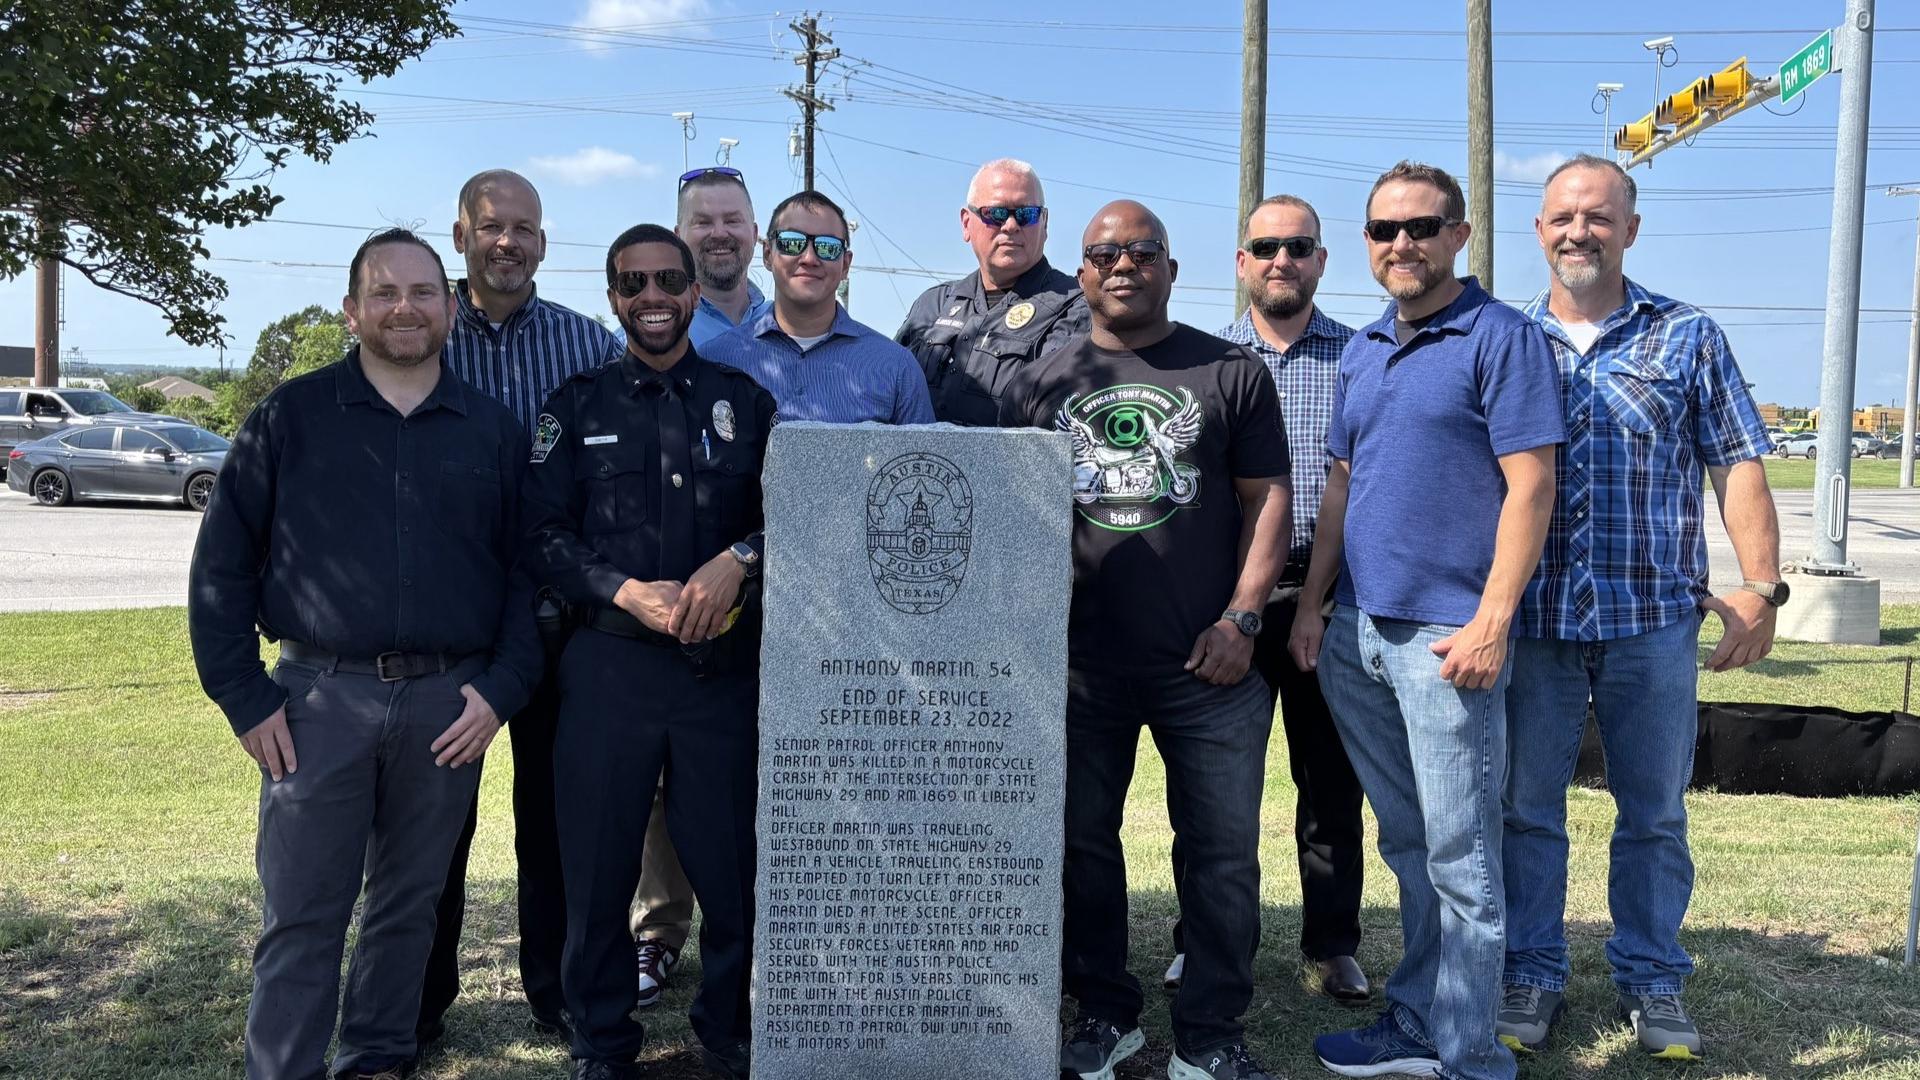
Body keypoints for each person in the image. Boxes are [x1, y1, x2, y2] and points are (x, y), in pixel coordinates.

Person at [188, 228, 540, 1080]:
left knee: (410, 906)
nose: (403, 308)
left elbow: (530, 578)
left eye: (422, 292)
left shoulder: (492, 431)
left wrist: (499, 691)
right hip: (317, 702)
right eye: (384, 293)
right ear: (352, 310)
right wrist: (244, 697)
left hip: (447, 707)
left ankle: (377, 1058)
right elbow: (221, 568)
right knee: (302, 912)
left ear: (449, 307)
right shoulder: (291, 418)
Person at [1497, 154, 1782, 1061]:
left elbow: (1737, 464)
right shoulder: (1506, 338)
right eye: (1562, 217)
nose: (1578, 231)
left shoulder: (1687, 336)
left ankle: (1654, 980)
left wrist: (1761, 586)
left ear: (1630, 228)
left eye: (1597, 216)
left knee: (1654, 813)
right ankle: (1529, 973)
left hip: (1653, 623)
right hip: (1534, 623)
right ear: (1539, 230)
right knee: (1525, 809)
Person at [1000, 201, 1293, 1080]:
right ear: (1081, 272)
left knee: (1222, 856)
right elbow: (1015, 517)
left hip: (1209, 665)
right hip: (1079, 667)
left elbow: (1267, 501)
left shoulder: (1230, 371)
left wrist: (1243, 618)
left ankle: (1209, 1034)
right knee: (1081, 847)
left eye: (1140, 251)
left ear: (1171, 267)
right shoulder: (1041, 382)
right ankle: (1104, 1013)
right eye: (1103, 254)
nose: (1121, 265)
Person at [1289, 161, 1563, 1080]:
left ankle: (1471, 1054)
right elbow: (1340, 486)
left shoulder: (1502, 338)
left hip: (1448, 641)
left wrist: (1492, 621)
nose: (1401, 243)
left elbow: (1532, 486)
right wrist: (1315, 606)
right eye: (1383, 229)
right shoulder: (1364, 347)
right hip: (1358, 635)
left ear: (1460, 235)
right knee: (1409, 843)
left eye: (1421, 226)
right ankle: (1417, 1021)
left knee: (1462, 857)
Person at [523, 223, 776, 1080]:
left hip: (718, 675)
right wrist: (623, 590)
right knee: (597, 869)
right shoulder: (574, 406)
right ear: (613, 298)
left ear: (695, 292)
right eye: (634, 284)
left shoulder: (745, 402)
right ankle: (602, 1041)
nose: (654, 297)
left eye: (669, 280)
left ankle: (727, 1031)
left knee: (731, 868)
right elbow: (541, 533)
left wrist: (740, 559)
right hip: (610, 668)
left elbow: (793, 517)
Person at [423, 168, 622, 1045]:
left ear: (543, 243)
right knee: (436, 825)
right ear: (461, 234)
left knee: (554, 823)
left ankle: (558, 992)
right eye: (492, 226)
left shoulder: (588, 345)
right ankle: (418, 1003)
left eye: (525, 229)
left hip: (559, 621)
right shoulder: (423, 334)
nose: (508, 242)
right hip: (450, 619)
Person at [1175, 194, 1367, 1006]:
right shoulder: (1204, 363)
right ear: (1241, 262)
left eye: (1297, 246)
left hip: (1329, 598)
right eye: (1264, 247)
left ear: (1321, 259)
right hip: (1226, 605)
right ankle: (1204, 941)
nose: (1280, 259)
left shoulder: (1362, 358)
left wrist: (1317, 602)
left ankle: (1333, 945)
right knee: (1214, 791)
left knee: (1331, 786)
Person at [703, 189, 934, 424]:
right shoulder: (714, 360)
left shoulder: (897, 369)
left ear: (845, 265)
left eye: (827, 246)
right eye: (792, 243)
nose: (809, 258)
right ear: (767, 254)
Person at [895, 157, 1088, 425]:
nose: (1011, 225)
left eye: (1026, 214)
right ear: (966, 223)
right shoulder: (933, 304)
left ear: (1044, 223)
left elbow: (1056, 420)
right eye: (995, 214)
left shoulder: (1075, 309)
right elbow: (889, 394)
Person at [678, 166, 774, 346]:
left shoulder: (787, 326)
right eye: (703, 222)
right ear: (678, 238)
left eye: (732, 221)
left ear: (754, 234)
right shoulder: (652, 337)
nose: (719, 233)